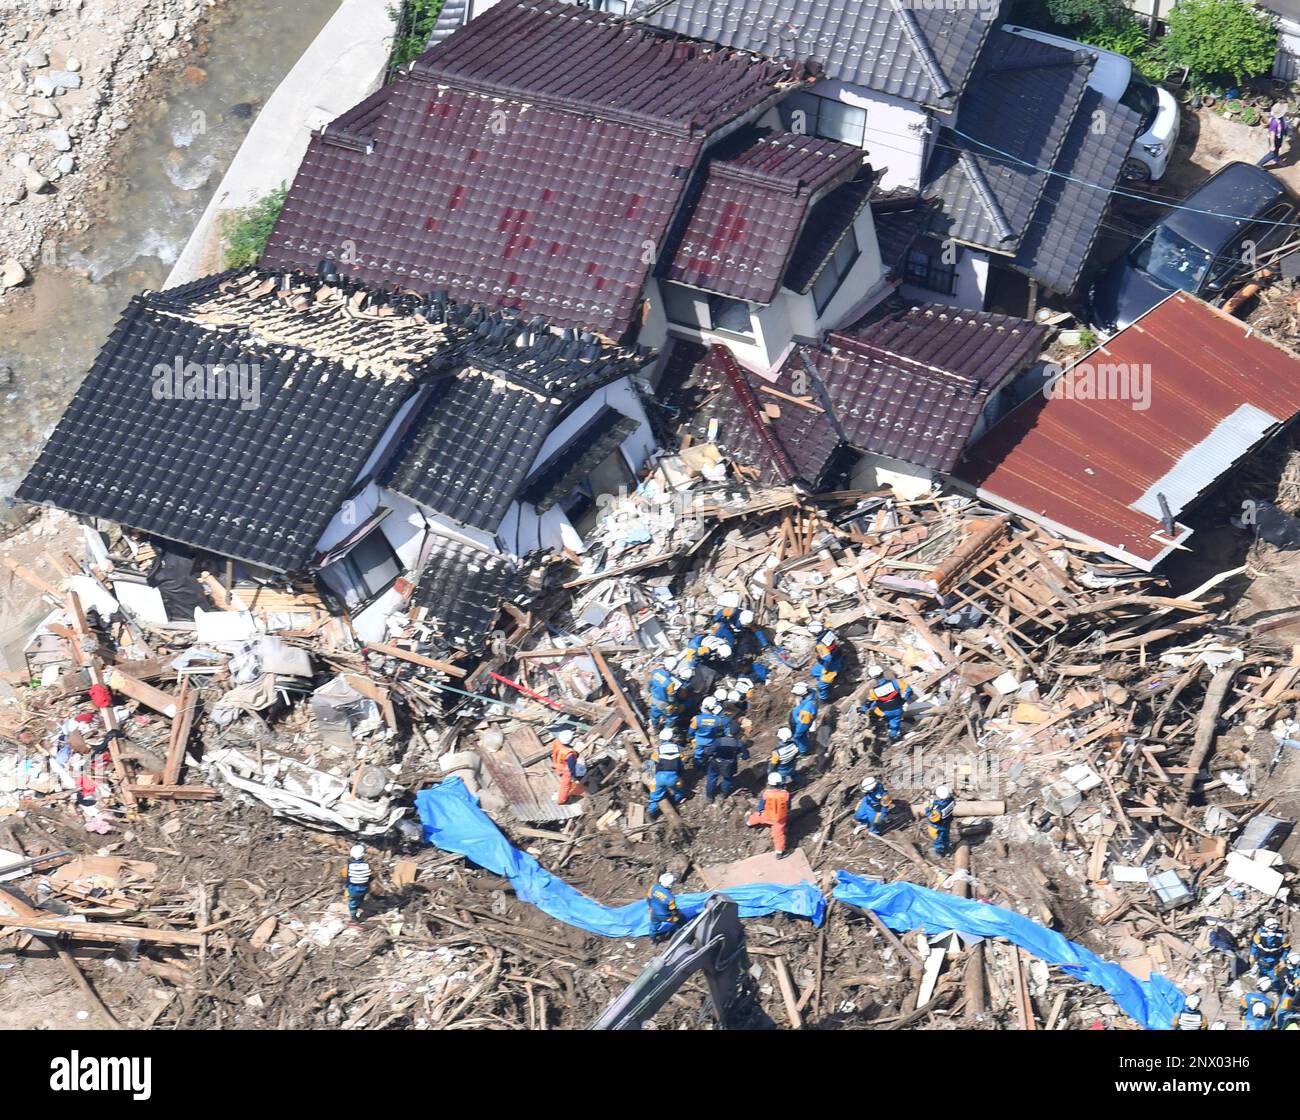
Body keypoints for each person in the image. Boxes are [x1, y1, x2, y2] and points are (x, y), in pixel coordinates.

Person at [859, 665, 914, 741]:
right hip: (898, 709)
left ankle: (892, 734)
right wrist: (903, 700)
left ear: (873, 678)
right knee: (895, 720)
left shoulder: (873, 692)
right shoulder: (896, 682)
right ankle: (893, 730)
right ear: (882, 673)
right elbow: (909, 691)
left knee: (873, 705)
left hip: (884, 713)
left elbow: (868, 703)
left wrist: (862, 709)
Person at [747, 772, 792, 858]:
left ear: (769, 783)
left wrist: (760, 811)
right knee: (778, 836)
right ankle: (779, 852)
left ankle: (749, 823)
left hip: (767, 815)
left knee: (757, 816)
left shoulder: (766, 793)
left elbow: (761, 805)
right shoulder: (786, 794)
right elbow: (788, 805)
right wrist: (788, 810)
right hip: (779, 820)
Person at [647, 730, 685, 818]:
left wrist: (650, 776)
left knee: (654, 796)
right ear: (672, 738)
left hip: (659, 778)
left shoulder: (658, 750)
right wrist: (680, 775)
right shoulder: (679, 749)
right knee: (679, 791)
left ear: (661, 739)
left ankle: (651, 813)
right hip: (673, 778)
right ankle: (675, 802)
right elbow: (681, 765)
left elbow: (651, 763)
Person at [704, 732, 748, 800]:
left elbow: (709, 752)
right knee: (727, 779)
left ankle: (709, 797)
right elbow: (745, 756)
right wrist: (740, 756)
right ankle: (723, 795)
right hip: (729, 765)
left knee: (711, 778)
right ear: (737, 734)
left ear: (728, 731)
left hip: (716, 763)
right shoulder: (739, 743)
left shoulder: (719, 740)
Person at [647, 657, 686, 731]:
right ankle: (666, 729)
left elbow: (650, 684)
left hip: (654, 699)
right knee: (672, 716)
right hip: (664, 704)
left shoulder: (655, 672)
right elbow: (671, 699)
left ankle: (655, 727)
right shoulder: (670, 683)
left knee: (654, 715)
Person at [689, 696, 730, 767]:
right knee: (712, 753)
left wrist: (689, 736)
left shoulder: (696, 719)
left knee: (698, 754)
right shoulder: (718, 720)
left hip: (699, 741)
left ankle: (698, 766)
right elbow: (722, 729)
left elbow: (691, 731)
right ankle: (710, 764)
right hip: (711, 741)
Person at [549, 728, 584, 805]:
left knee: (563, 780)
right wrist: (574, 776)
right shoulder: (569, 754)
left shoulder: (557, 742)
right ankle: (561, 800)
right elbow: (571, 767)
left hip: (557, 763)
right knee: (565, 786)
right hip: (565, 769)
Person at [809, 628, 843, 702]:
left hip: (832, 666)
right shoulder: (828, 632)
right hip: (836, 657)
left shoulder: (820, 645)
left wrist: (826, 669)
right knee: (814, 671)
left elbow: (827, 658)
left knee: (821, 686)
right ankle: (824, 682)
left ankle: (824, 699)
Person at [647, 873, 683, 941]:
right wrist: (678, 913)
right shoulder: (670, 898)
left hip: (654, 913)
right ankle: (679, 931)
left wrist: (650, 907)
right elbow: (673, 911)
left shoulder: (653, 888)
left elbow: (648, 899)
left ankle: (652, 938)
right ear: (670, 885)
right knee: (679, 919)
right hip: (665, 916)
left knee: (654, 925)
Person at [342, 844, 371, 922]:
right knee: (360, 898)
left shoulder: (348, 867)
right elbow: (373, 874)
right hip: (365, 888)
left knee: (353, 902)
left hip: (353, 889)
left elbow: (344, 875)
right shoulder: (367, 866)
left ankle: (353, 916)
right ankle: (360, 905)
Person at [925, 784, 956, 856]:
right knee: (946, 836)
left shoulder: (938, 810)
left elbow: (932, 818)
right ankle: (947, 849)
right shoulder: (951, 800)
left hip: (938, 826)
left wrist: (927, 808)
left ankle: (939, 853)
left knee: (938, 840)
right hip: (947, 822)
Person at [1259, 103, 1292, 167]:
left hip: (1279, 136)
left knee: (1278, 147)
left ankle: (1276, 158)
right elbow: (1272, 134)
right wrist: (1272, 145)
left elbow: (1286, 115)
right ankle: (1258, 165)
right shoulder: (1274, 122)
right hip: (1274, 139)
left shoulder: (1280, 117)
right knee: (1271, 154)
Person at [789, 682, 818, 755]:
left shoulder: (806, 710)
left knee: (801, 738)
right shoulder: (812, 693)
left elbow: (803, 724)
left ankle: (803, 751)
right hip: (800, 716)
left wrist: (797, 734)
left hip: (800, 723)